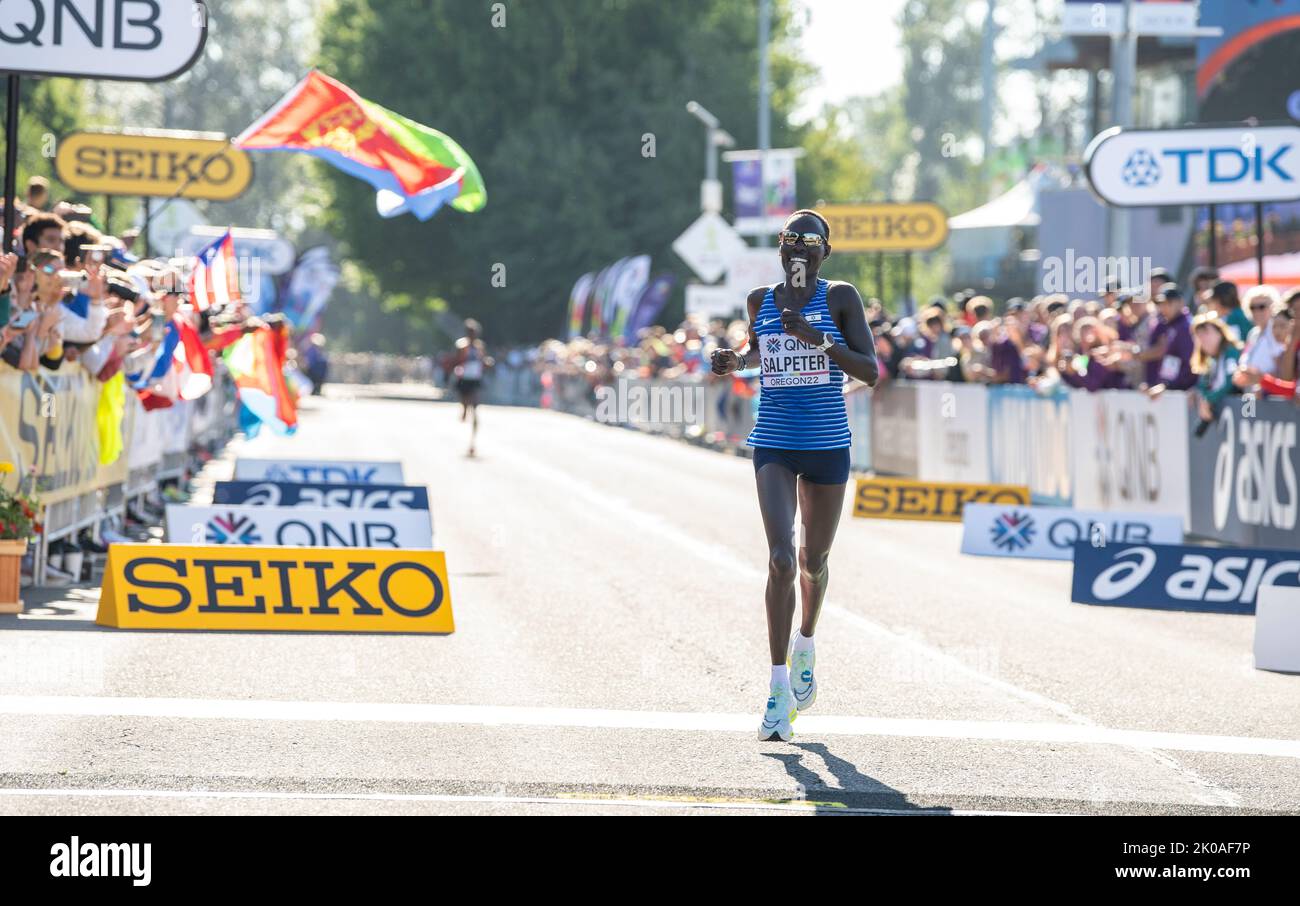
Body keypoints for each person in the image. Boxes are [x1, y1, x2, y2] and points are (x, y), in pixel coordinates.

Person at [709, 209, 879, 743]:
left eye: (808, 240)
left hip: (827, 444)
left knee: (814, 560)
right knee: (780, 558)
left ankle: (807, 639)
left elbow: (870, 371)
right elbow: (757, 351)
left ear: (824, 252)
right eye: (789, 239)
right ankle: (778, 687)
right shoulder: (761, 300)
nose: (797, 247)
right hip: (774, 442)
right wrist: (732, 360)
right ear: (779, 250)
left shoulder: (841, 297)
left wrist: (816, 337)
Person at [1191, 313, 1243, 425]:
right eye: (1199, 335)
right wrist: (1203, 398)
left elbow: (1231, 380)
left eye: (1207, 333)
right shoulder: (1211, 361)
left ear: (1220, 332)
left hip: (1239, 413)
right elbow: (1203, 386)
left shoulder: (1231, 352)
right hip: (1220, 417)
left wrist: (1210, 399)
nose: (1203, 339)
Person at [452, 318, 492, 457]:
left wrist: (487, 363)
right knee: (465, 408)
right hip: (464, 379)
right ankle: (463, 408)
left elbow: (484, 360)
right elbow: (456, 361)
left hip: (475, 379)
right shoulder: (461, 345)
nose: (472, 335)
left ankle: (472, 443)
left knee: (475, 408)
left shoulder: (480, 346)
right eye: (470, 332)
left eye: (474, 332)